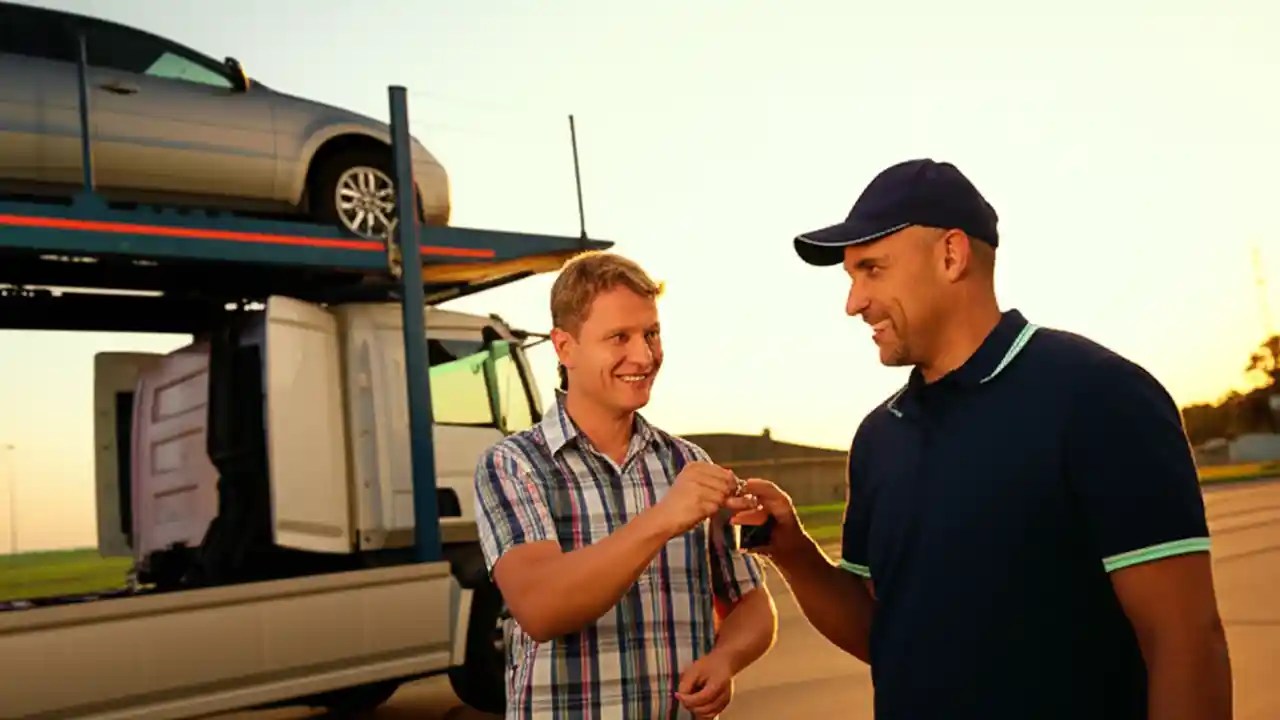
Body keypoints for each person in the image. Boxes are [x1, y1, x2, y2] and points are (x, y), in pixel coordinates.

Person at [732, 158, 1234, 719]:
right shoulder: (879, 437)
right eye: (851, 277)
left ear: (951, 255)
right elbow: (885, 636)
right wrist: (795, 553)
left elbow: (1186, 641)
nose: (853, 302)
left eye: (872, 269)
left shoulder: (1100, 397)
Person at [474, 250, 777, 719]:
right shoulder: (514, 465)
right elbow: (541, 608)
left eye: (651, 334)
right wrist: (661, 519)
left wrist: (725, 659)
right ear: (564, 347)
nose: (644, 355)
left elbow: (752, 604)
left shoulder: (688, 462)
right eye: (619, 337)